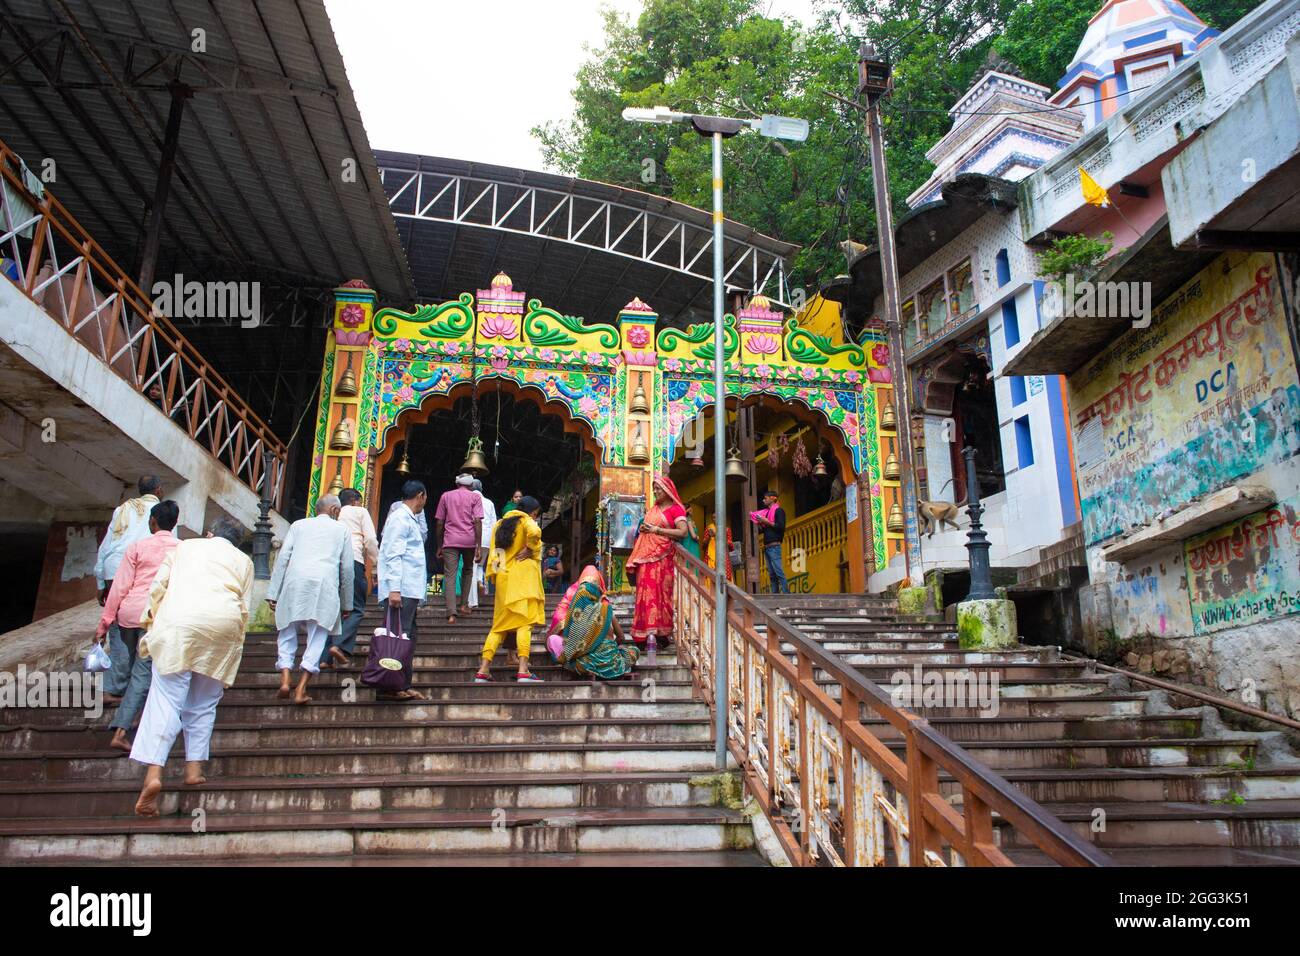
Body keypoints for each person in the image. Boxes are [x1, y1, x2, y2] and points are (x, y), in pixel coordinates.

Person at [130, 517, 254, 817]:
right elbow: (244, 607)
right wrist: (233, 648)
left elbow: (158, 587)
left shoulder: (184, 547)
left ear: (210, 533)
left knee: (165, 700)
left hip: (179, 623)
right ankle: (193, 769)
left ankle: (154, 775)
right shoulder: (244, 560)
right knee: (204, 701)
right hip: (222, 626)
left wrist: (149, 624)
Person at [96, 500, 181, 753]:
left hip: (128, 614)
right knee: (142, 672)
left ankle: (129, 710)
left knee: (135, 666)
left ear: (152, 522)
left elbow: (120, 586)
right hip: (155, 615)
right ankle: (122, 730)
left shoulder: (137, 547)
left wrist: (104, 623)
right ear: (175, 524)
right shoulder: (182, 550)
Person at [266, 495, 353, 705]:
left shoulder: (298, 525)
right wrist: (346, 602)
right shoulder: (341, 530)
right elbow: (347, 568)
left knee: (286, 632)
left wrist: (273, 592)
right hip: (324, 585)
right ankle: (301, 689)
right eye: (339, 511)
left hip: (294, 582)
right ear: (333, 510)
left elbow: (283, 558)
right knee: (317, 638)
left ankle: (286, 678)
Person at [94, 476, 164, 703]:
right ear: (159, 490)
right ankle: (134, 689)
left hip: (113, 569)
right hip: (143, 572)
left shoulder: (123, 509)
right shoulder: (163, 512)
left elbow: (106, 546)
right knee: (144, 629)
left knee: (119, 629)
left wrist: (100, 581)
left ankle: (115, 687)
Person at [475, 496, 545, 684]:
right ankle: (523, 671)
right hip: (522, 580)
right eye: (536, 514)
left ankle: (483, 670)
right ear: (532, 512)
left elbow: (496, 556)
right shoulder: (526, 521)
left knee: (498, 627)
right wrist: (531, 548)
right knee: (524, 625)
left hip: (504, 580)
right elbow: (535, 532)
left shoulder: (499, 524)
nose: (535, 517)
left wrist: (497, 580)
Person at [377, 480, 430, 701]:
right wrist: (395, 589)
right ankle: (389, 686)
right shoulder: (400, 518)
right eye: (425, 498)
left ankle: (402, 684)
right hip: (403, 588)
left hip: (410, 589)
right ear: (420, 496)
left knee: (407, 637)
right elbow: (394, 554)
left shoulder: (408, 518)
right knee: (398, 637)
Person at [626, 475, 689, 646]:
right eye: (654, 489)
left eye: (658, 489)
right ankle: (642, 635)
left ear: (668, 491)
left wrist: (657, 530)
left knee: (661, 595)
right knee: (644, 595)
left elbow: (683, 532)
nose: (655, 492)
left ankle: (660, 634)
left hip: (663, 558)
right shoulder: (653, 510)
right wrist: (645, 530)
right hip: (645, 559)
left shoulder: (676, 509)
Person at [546, 566, 638, 681]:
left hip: (588, 664)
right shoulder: (607, 609)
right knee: (634, 651)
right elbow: (621, 638)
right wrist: (609, 647)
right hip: (614, 665)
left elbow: (572, 644)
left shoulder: (578, 614)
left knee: (558, 645)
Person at [322, 487, 377, 670]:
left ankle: (324, 658)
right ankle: (338, 646)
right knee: (356, 609)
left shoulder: (333, 515)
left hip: (331, 563)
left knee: (334, 611)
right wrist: (376, 565)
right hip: (353, 561)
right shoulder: (360, 511)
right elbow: (369, 540)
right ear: (355, 500)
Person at [434, 474, 484, 623]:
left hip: (450, 540)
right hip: (469, 540)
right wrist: (479, 546)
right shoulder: (475, 498)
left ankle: (451, 613)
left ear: (457, 484)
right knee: (468, 570)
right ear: (470, 485)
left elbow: (439, 523)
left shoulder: (446, 496)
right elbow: (477, 522)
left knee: (450, 575)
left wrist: (439, 545)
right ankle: (463, 605)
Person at [468, 478, 497, 609]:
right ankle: (480, 581)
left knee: (471, 568)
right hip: (487, 539)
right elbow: (494, 523)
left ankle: (473, 601)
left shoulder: (469, 499)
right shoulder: (489, 502)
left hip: (474, 538)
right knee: (479, 565)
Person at [753, 489, 788, 593]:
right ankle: (775, 596)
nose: (764, 500)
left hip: (774, 546)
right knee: (772, 574)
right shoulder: (767, 513)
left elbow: (780, 527)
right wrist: (761, 523)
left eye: (766, 498)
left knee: (779, 572)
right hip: (767, 547)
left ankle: (787, 595)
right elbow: (767, 529)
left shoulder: (779, 511)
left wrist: (767, 522)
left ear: (773, 498)